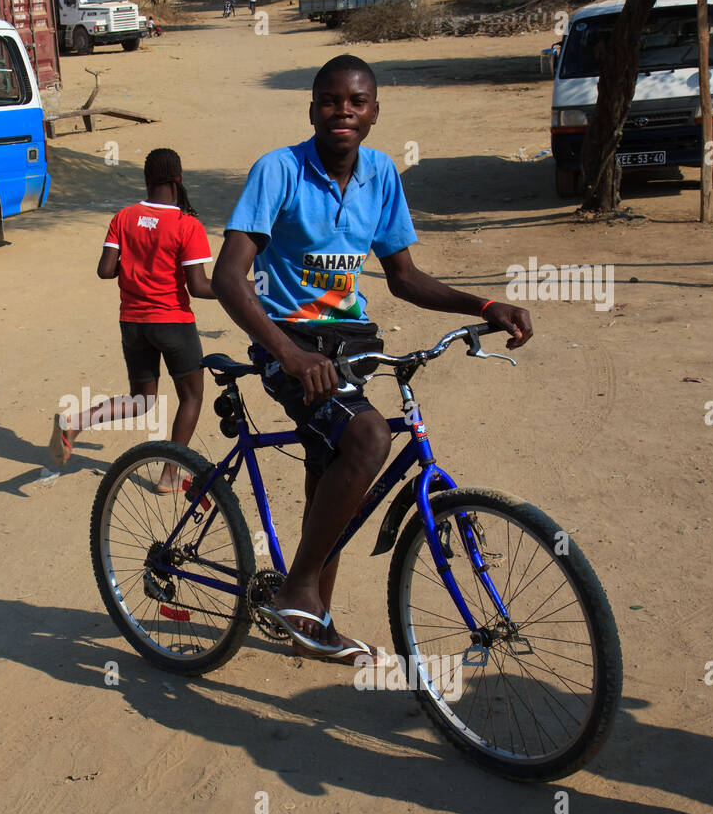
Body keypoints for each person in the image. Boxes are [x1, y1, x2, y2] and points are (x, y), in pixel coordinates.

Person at [211, 55, 533, 665]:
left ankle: (314, 622)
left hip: (351, 341)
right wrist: (291, 354)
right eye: (331, 101)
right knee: (367, 439)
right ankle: (298, 589)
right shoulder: (278, 170)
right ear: (312, 109)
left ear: (374, 112)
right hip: (287, 339)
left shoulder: (382, 173)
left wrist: (485, 303)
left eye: (357, 102)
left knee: (335, 468)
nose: (344, 112)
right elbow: (229, 278)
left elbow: (404, 277)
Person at [49, 149, 216, 493]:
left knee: (142, 400)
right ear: (178, 179)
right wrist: (239, 289)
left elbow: (104, 270)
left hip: (133, 323)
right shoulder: (187, 225)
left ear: (146, 180)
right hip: (172, 322)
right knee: (192, 397)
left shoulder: (124, 218)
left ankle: (75, 423)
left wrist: (135, 264)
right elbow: (199, 287)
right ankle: (171, 473)